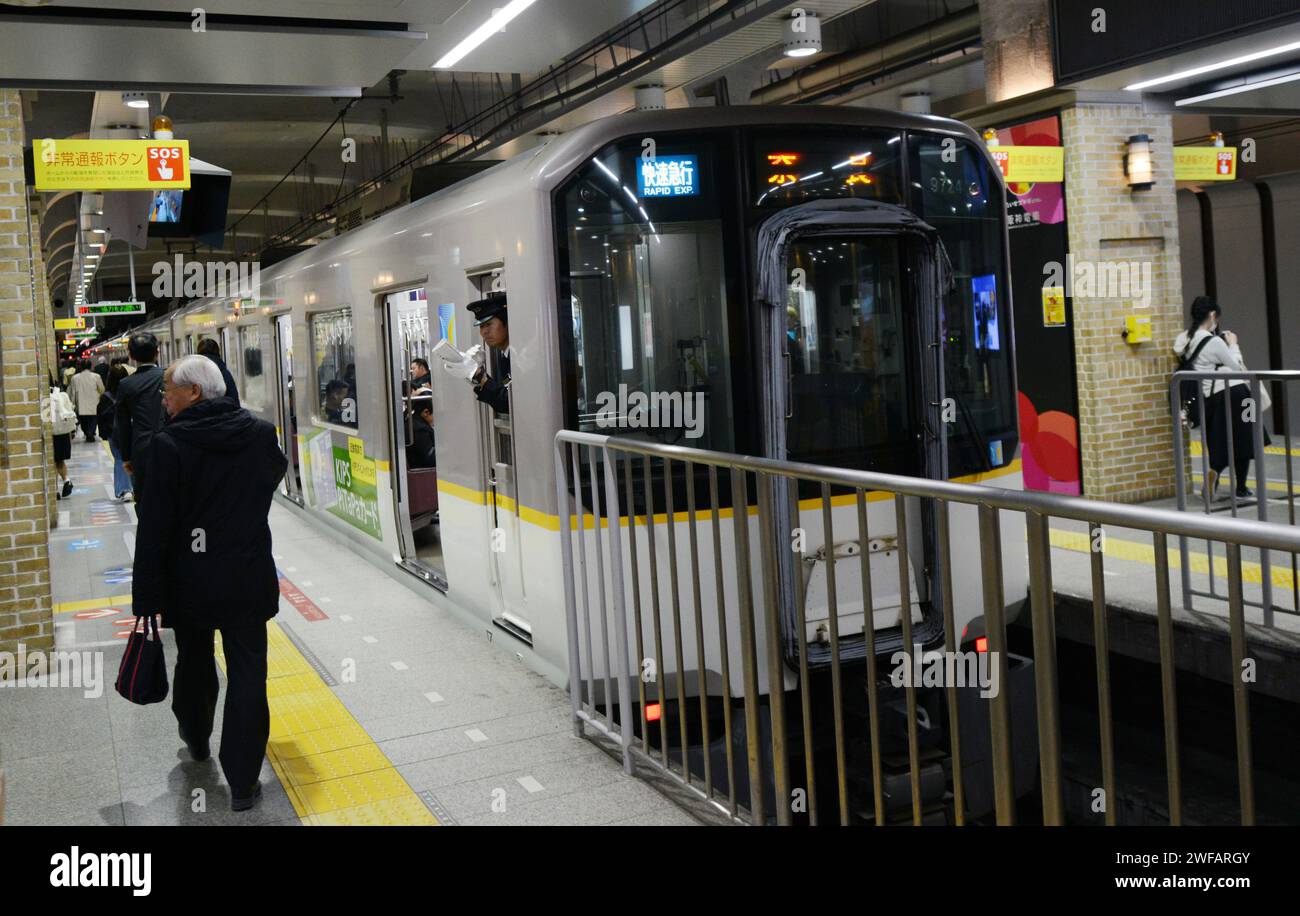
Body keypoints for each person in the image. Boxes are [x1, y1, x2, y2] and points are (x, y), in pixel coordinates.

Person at [131, 355, 287, 812]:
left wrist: (147, 598)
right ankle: (243, 781)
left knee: (195, 662)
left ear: (193, 392)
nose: (163, 398)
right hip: (246, 576)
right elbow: (271, 478)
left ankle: (197, 738)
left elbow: (155, 526)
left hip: (191, 580)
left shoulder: (168, 445)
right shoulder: (259, 434)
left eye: (168, 390)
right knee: (248, 674)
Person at [1173, 296, 1268, 499]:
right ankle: (1241, 487)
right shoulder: (1215, 341)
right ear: (1213, 315)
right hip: (1238, 395)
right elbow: (1236, 368)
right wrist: (1233, 344)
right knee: (1246, 437)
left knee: (1219, 440)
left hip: (1211, 398)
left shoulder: (1183, 340)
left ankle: (1214, 473)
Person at [113, 332, 166, 506]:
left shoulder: (126, 384)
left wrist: (126, 457)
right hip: (171, 442)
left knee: (143, 497)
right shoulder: (167, 376)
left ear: (131, 355)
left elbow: (123, 425)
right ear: (157, 352)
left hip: (141, 448)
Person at [458, 292, 511, 414]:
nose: (484, 332)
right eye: (481, 326)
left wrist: (480, 375)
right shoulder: (503, 357)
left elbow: (509, 402)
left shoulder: (521, 357)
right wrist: (476, 377)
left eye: (488, 324)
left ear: (506, 323)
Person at [99, 365, 133, 501]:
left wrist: (103, 434)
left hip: (113, 433)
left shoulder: (105, 397)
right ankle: (134, 487)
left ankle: (124, 490)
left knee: (119, 459)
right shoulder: (130, 393)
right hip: (130, 430)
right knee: (132, 458)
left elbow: (101, 417)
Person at [48, 374, 77, 498]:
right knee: (60, 460)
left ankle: (54, 490)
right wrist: (72, 432)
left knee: (51, 461)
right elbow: (70, 412)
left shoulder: (45, 398)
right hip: (64, 431)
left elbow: (45, 418)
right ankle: (66, 480)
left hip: (52, 433)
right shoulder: (62, 394)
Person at [69, 359, 105, 442]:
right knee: (93, 419)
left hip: (80, 403)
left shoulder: (75, 378)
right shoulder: (96, 376)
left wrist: (72, 404)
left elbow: (73, 392)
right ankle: (91, 432)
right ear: (91, 366)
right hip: (94, 402)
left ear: (80, 367)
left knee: (83, 420)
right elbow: (102, 389)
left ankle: (87, 432)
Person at [406, 396, 436, 469]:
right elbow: (431, 460)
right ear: (426, 412)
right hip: (423, 470)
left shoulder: (411, 421)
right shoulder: (421, 430)